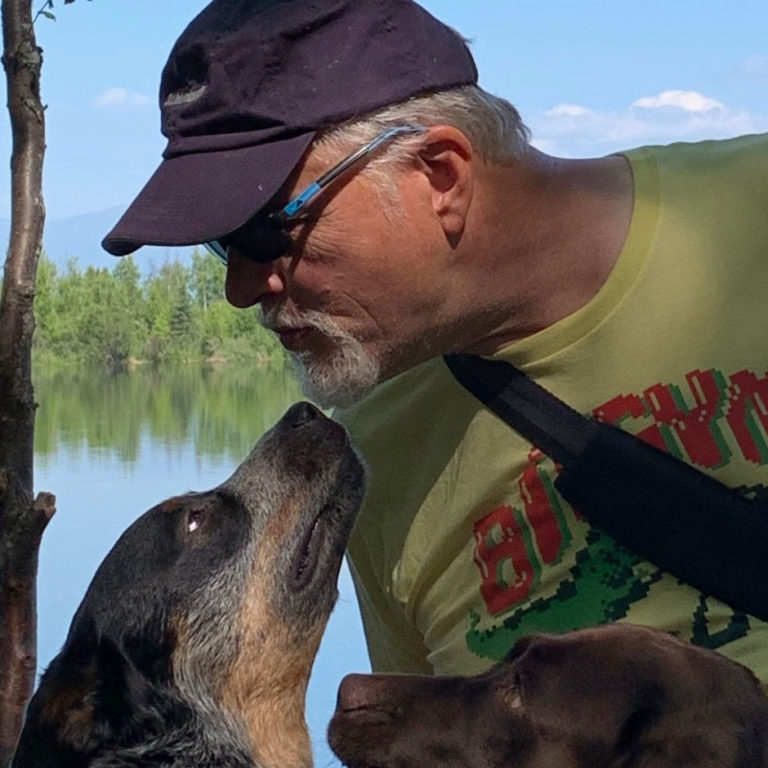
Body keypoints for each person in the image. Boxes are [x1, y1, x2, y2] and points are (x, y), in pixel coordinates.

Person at [103, 0, 768, 686]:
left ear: (441, 175)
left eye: (263, 231)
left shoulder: (755, 203)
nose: (241, 289)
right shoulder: (373, 453)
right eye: (222, 244)